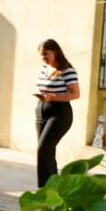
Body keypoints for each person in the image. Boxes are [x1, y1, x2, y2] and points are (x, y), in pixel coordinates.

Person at [35, 38, 81, 186]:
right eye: (41, 55)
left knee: (44, 150)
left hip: (59, 114)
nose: (43, 58)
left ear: (55, 52)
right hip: (42, 113)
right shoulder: (44, 68)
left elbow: (76, 94)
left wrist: (52, 97)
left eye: (45, 54)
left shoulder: (67, 70)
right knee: (46, 153)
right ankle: (46, 193)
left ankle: (53, 193)